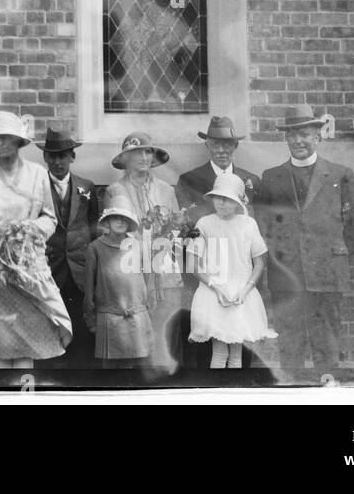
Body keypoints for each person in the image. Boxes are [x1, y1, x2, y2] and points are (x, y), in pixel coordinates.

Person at [254, 105, 354, 373]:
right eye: (292, 135)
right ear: (286, 139)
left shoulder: (340, 175)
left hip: (327, 273)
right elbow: (263, 227)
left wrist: (334, 255)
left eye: (304, 134)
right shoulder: (271, 178)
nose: (298, 141)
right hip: (287, 275)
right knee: (290, 344)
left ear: (318, 136)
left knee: (326, 341)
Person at [0, 111, 71, 368]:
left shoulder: (37, 174)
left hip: (27, 273)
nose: (2, 144)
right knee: (0, 350)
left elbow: (49, 218)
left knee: (25, 352)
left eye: (7, 138)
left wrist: (26, 232)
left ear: (19, 140)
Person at [174, 116, 263, 369]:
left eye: (228, 144)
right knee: (211, 346)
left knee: (239, 345)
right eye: (215, 144)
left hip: (240, 277)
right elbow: (189, 232)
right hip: (209, 278)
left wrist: (249, 284)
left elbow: (255, 235)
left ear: (235, 147)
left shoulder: (251, 180)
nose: (222, 150)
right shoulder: (189, 180)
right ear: (207, 146)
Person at [104, 131, 181, 368]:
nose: (144, 157)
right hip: (133, 276)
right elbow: (115, 237)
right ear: (125, 158)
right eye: (137, 152)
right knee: (137, 342)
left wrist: (168, 248)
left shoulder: (166, 190)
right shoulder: (116, 190)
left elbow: (177, 230)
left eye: (148, 151)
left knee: (164, 338)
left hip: (165, 275)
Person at [187, 175, 277, 368]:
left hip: (241, 292)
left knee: (237, 355)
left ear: (237, 202)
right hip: (213, 292)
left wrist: (245, 290)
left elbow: (259, 262)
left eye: (227, 198)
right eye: (217, 197)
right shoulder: (204, 223)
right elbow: (193, 264)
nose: (220, 202)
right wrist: (216, 288)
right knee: (219, 353)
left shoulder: (248, 224)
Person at [37, 126, 100, 370]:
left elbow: (94, 228)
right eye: (52, 156)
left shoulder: (87, 186)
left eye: (63, 155)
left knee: (81, 330)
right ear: (45, 158)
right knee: (52, 329)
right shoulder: (37, 185)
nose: (57, 161)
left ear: (72, 157)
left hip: (80, 271)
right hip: (49, 271)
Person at [83, 197, 152, 369]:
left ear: (130, 223)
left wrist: (142, 309)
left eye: (125, 218)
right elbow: (89, 288)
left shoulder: (139, 246)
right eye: (115, 217)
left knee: (136, 370)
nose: (120, 221)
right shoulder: (95, 248)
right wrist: (91, 319)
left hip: (136, 316)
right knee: (111, 372)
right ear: (107, 221)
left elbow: (146, 281)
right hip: (109, 318)